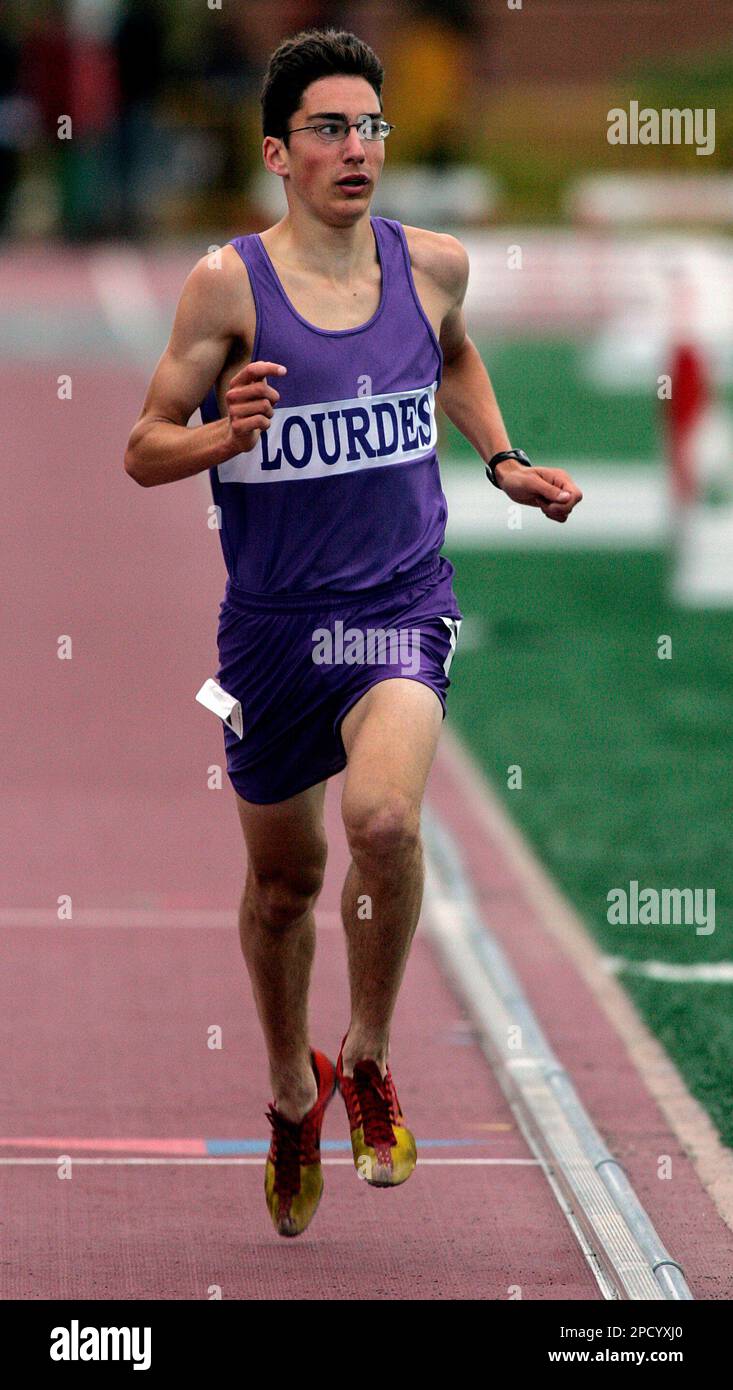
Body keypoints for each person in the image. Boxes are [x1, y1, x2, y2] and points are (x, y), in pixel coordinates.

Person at [124, 27, 582, 1239]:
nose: (356, 147)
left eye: (370, 125)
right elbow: (141, 447)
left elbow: (455, 353)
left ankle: (369, 1055)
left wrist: (503, 456)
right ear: (276, 151)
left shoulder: (431, 265)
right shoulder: (228, 285)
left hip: (395, 608)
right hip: (272, 627)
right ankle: (291, 1095)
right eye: (328, 128)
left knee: (382, 820)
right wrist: (222, 438)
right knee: (287, 887)